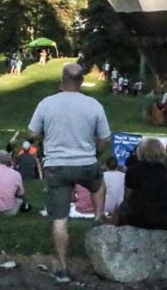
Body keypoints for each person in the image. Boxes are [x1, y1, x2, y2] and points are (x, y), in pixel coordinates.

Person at [28, 63, 110, 284]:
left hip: (56, 165)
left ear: (62, 80)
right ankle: (97, 217)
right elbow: (105, 139)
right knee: (99, 185)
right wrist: (95, 152)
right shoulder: (93, 105)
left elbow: (33, 133)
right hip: (85, 162)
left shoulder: (47, 103)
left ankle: (63, 268)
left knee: (60, 219)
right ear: (81, 81)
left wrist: (45, 136)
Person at [112, 138, 167, 230]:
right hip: (165, 218)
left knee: (119, 206)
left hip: (138, 218)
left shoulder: (133, 170)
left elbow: (127, 196)